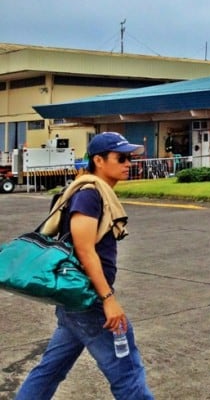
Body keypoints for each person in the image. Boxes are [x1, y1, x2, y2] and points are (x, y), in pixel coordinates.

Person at [16, 132, 154, 399]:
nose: (129, 163)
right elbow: (84, 248)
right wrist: (108, 298)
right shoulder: (89, 194)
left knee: (50, 371)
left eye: (130, 158)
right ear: (99, 160)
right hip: (89, 300)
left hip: (75, 303)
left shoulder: (94, 191)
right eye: (121, 157)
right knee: (128, 375)